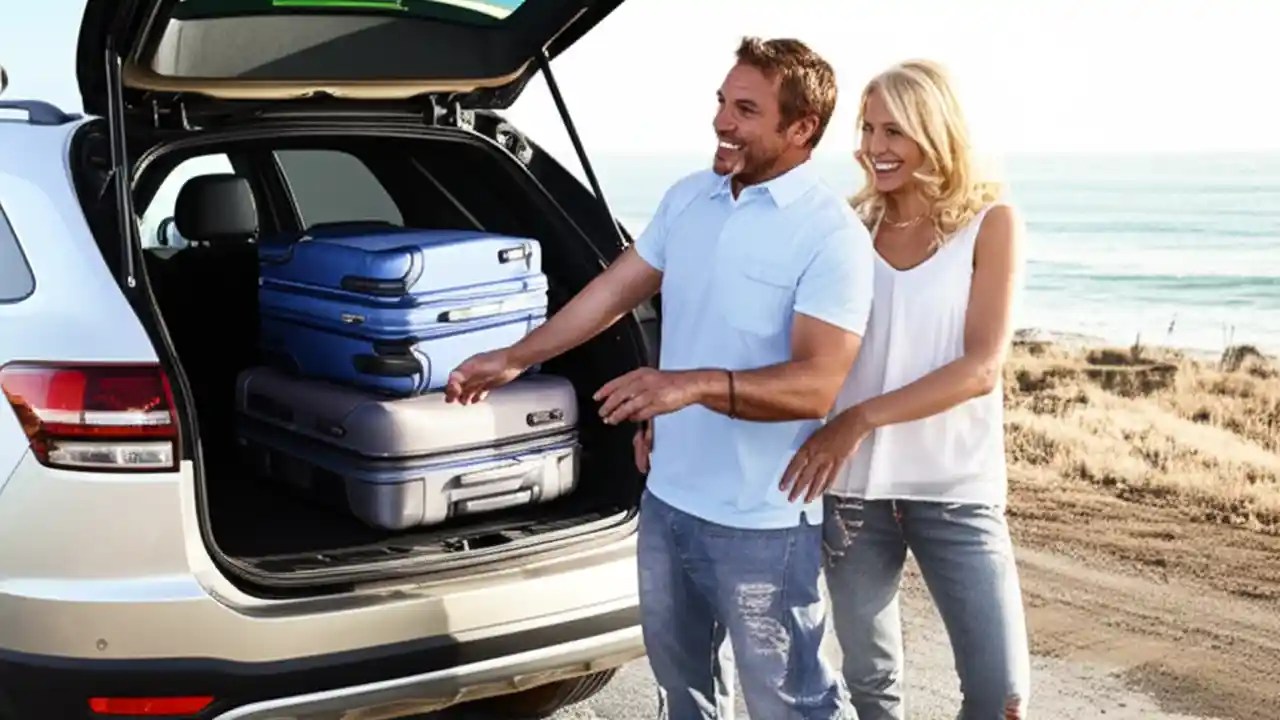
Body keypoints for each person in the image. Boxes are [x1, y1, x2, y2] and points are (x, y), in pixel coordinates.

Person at [445, 37, 873, 720]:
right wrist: (515, 357)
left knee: (795, 705)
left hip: (761, 520)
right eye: (721, 102)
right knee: (686, 695)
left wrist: (690, 386)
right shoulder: (689, 199)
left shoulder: (831, 236)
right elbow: (609, 295)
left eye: (746, 110)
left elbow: (815, 385)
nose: (722, 122)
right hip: (669, 503)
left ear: (801, 130)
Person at [775, 59, 1033, 720]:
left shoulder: (991, 225)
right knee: (872, 685)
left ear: (934, 131)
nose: (872, 147)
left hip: (956, 490)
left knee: (1000, 694)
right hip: (854, 494)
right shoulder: (847, 230)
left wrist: (857, 419)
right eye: (866, 129)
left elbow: (981, 368)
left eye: (893, 130)